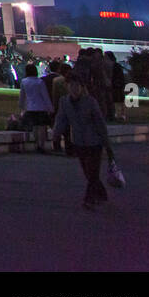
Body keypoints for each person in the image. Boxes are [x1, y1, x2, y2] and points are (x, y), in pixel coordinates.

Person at [52, 72, 111, 210]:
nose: (74, 88)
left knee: (93, 171)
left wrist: (106, 143)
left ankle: (89, 200)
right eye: (71, 85)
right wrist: (56, 134)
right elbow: (61, 119)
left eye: (77, 86)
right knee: (88, 172)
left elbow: (100, 123)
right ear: (67, 86)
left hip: (94, 142)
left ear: (82, 87)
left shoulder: (90, 102)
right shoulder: (64, 102)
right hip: (78, 142)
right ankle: (101, 193)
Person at [19, 63, 54, 153]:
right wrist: (50, 108)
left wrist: (22, 107)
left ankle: (36, 143)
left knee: (34, 127)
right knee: (42, 127)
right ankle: (41, 145)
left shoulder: (24, 81)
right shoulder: (39, 82)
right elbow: (45, 96)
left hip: (30, 107)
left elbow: (22, 96)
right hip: (41, 107)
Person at [107, 53, 126, 122]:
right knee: (119, 101)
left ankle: (120, 115)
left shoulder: (115, 66)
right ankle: (120, 115)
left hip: (117, 86)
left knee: (118, 101)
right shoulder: (116, 65)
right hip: (118, 86)